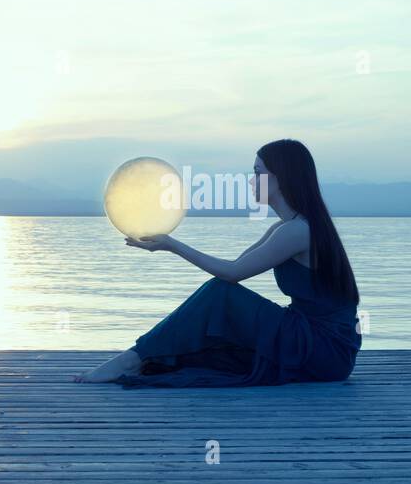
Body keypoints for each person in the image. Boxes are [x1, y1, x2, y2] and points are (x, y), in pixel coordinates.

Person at [73, 139, 362, 387]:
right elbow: (236, 264)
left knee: (220, 293)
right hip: (311, 339)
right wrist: (171, 245)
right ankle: (141, 358)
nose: (251, 181)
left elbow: (232, 275)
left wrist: (172, 245)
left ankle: (130, 358)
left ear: (280, 177)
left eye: (257, 173)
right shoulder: (286, 228)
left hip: (325, 350)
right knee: (215, 352)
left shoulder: (297, 231)